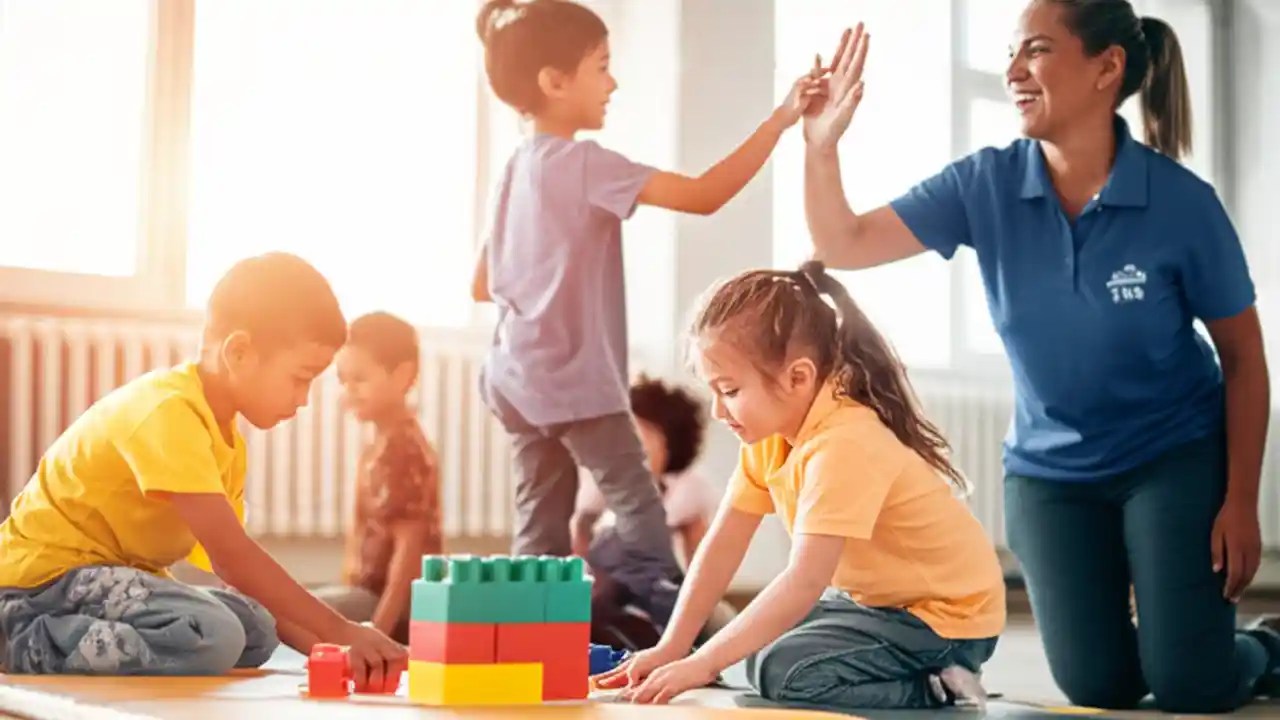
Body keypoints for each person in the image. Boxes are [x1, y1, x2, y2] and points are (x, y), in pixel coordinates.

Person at [802, 3, 1275, 713]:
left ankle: (1263, 646)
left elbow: (1243, 357)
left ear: (1106, 68)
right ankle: (1176, 639)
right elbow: (845, 244)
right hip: (1053, 475)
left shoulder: (1182, 205)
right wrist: (820, 146)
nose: (1013, 71)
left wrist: (1240, 500)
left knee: (1190, 686)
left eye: (1037, 51)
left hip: (1172, 456)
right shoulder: (984, 184)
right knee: (1100, 687)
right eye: (1011, 53)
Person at [469, 0, 823, 629]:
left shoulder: (513, 171)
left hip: (514, 379)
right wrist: (782, 118)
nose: (613, 83)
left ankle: (534, 633)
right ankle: (664, 614)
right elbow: (705, 195)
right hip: (575, 377)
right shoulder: (585, 164)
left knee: (540, 524)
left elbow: (482, 284)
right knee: (636, 505)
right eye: (601, 68)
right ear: (554, 81)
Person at [596, 262, 1006, 710]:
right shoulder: (772, 438)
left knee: (784, 672)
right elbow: (722, 545)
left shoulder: (844, 443)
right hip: (874, 603)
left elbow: (805, 580)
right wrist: (673, 647)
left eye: (729, 390)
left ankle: (938, 685)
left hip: (945, 619)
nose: (717, 410)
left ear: (798, 377)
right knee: (747, 651)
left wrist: (702, 663)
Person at [0, 253, 407, 690]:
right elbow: (233, 560)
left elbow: (245, 584)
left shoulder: (224, 440)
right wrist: (343, 629)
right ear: (239, 352)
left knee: (256, 626)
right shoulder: (168, 412)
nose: (304, 398)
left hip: (102, 586)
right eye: (300, 377)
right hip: (43, 585)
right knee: (214, 633)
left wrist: (332, 652)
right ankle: (19, 637)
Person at [571, 375, 731, 650]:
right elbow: (580, 528)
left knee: (717, 619)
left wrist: (704, 600)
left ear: (672, 445)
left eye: (644, 435)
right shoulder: (606, 483)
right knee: (598, 597)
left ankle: (659, 640)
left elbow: (702, 553)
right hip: (608, 581)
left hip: (658, 585)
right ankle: (615, 633)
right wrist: (577, 574)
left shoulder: (685, 490)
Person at [315, 312, 442, 645]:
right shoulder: (387, 443)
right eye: (342, 379)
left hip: (391, 608)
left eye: (359, 379)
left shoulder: (401, 449)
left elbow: (408, 549)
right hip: (369, 596)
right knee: (301, 607)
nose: (348, 390)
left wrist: (377, 633)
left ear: (402, 376)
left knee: (290, 613)